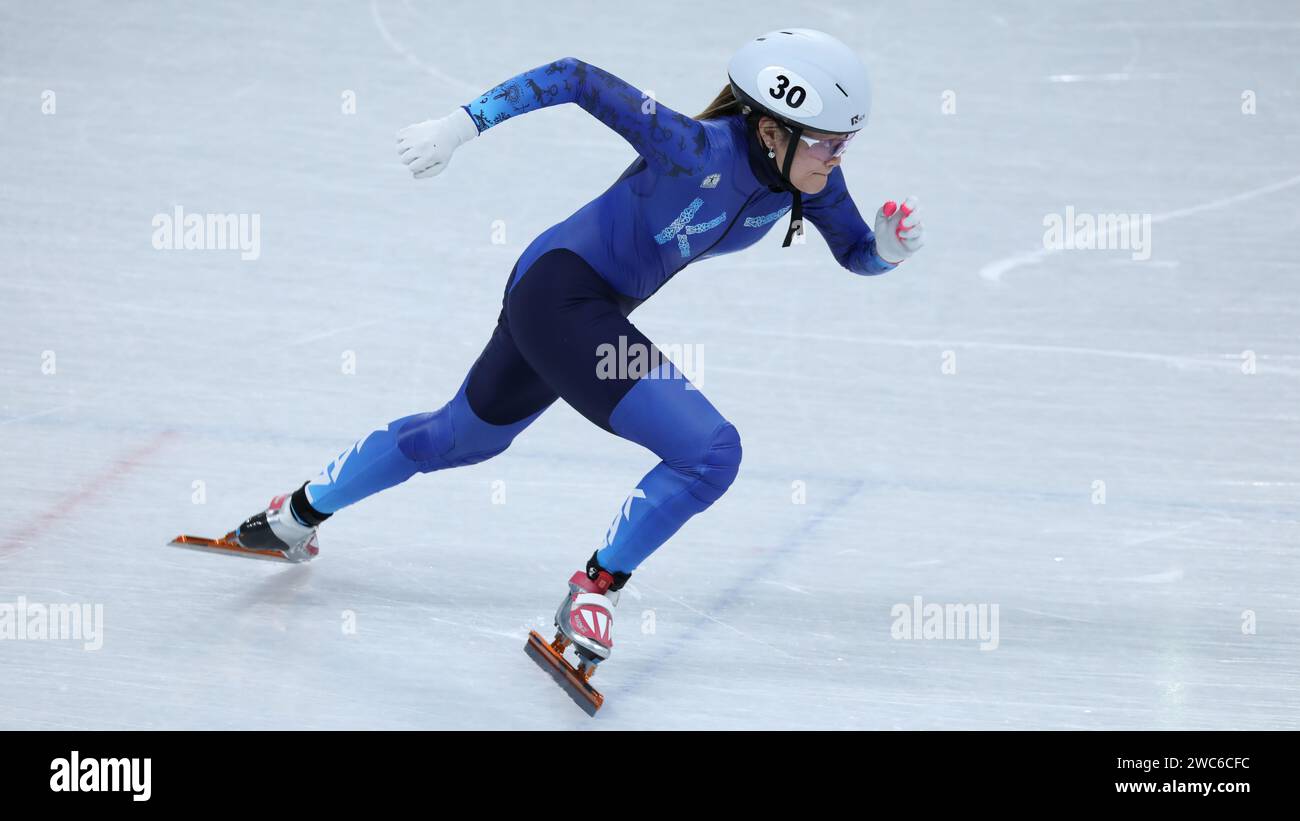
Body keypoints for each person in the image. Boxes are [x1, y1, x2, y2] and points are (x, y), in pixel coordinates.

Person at [229, 28, 925, 674]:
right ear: (771, 129)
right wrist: (459, 126)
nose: (838, 157)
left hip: (576, 306)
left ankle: (294, 515)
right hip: (561, 297)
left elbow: (856, 252)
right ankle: (595, 587)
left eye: (846, 143)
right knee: (711, 453)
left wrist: (886, 252)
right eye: (828, 142)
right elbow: (575, 76)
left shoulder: (811, 180)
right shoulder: (694, 148)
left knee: (458, 437)